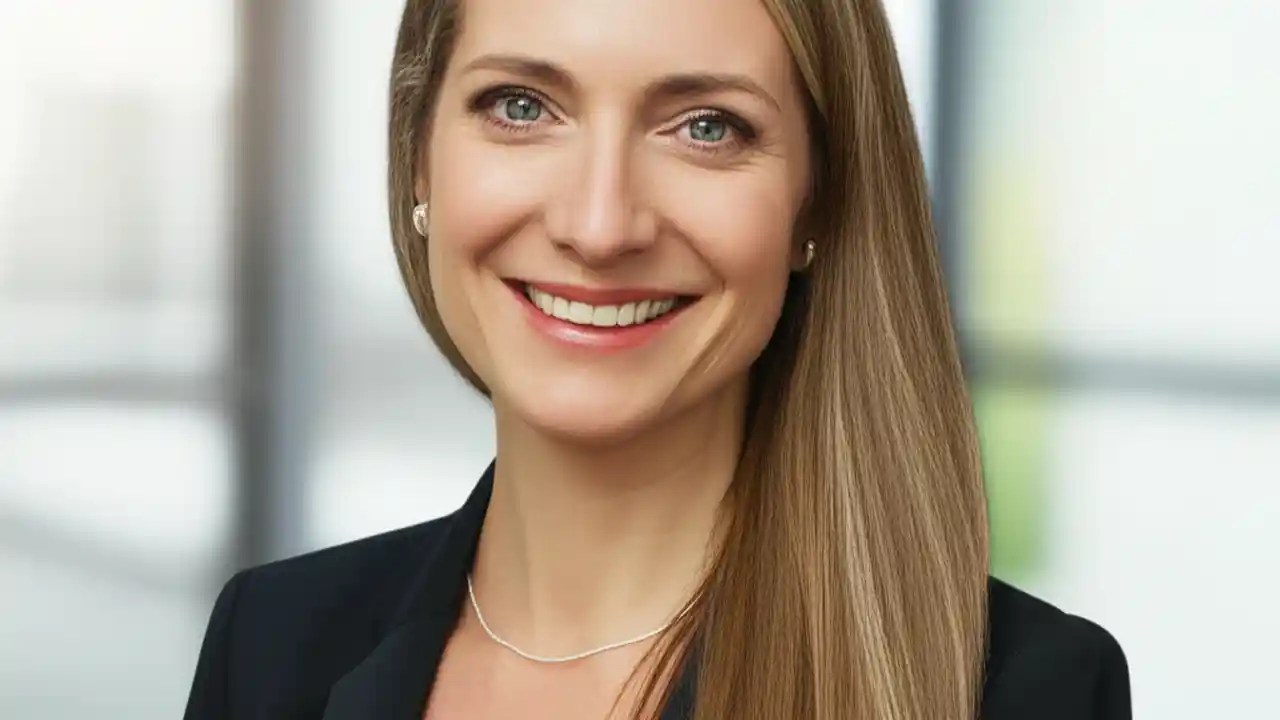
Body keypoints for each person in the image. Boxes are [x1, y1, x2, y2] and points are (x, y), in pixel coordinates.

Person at [184, 0, 1132, 718]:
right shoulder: (273, 640)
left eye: (707, 127)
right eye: (521, 106)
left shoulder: (1025, 689)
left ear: (815, 204)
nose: (599, 226)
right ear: (420, 155)